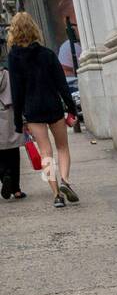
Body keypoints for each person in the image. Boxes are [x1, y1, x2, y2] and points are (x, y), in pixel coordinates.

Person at [5, 13, 79, 208]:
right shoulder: (47, 54)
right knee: (62, 147)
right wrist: (71, 108)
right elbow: (62, 84)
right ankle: (65, 180)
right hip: (53, 106)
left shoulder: (13, 57)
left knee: (46, 152)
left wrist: (18, 120)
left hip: (32, 109)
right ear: (34, 29)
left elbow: (16, 90)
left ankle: (56, 195)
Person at [0, 43, 27, 200]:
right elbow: (17, 96)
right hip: (9, 115)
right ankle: (16, 189)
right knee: (13, 152)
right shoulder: (7, 75)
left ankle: (4, 175)